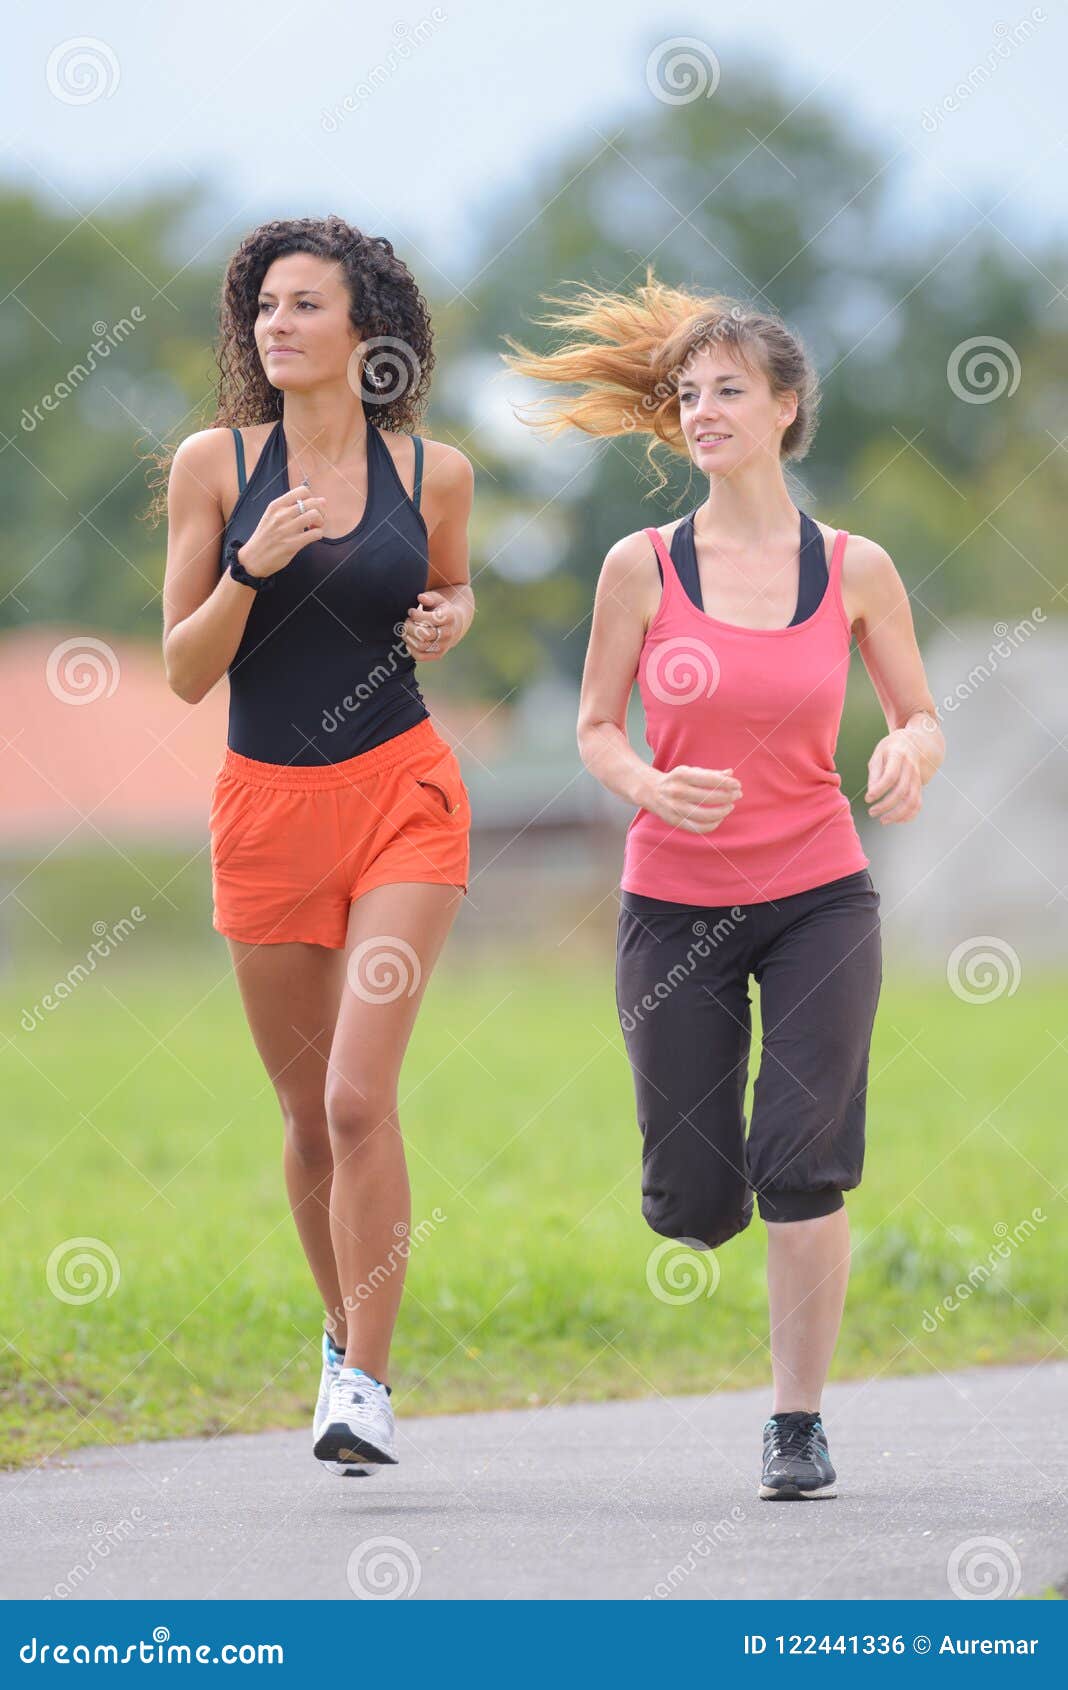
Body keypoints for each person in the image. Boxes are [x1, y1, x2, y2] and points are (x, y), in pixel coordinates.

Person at [504, 274, 944, 1499]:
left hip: (820, 895)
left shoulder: (856, 568)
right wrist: (645, 779)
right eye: (689, 394)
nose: (702, 411)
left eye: (729, 391)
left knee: (803, 1156)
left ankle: (795, 1423)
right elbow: (596, 728)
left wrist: (908, 749)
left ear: (787, 406)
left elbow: (919, 713)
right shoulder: (639, 567)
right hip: (675, 903)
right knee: (696, 1201)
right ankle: (708, 1204)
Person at [158, 215, 475, 1475]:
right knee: (304, 1117)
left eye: (303, 306)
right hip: (266, 805)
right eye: (264, 308)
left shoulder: (432, 469)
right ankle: (340, 1348)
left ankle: (372, 1383)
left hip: (405, 791)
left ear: (364, 332)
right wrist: (251, 563)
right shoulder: (215, 464)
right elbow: (185, 669)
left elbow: (450, 586)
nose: (275, 326)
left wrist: (451, 616)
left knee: (357, 1096)